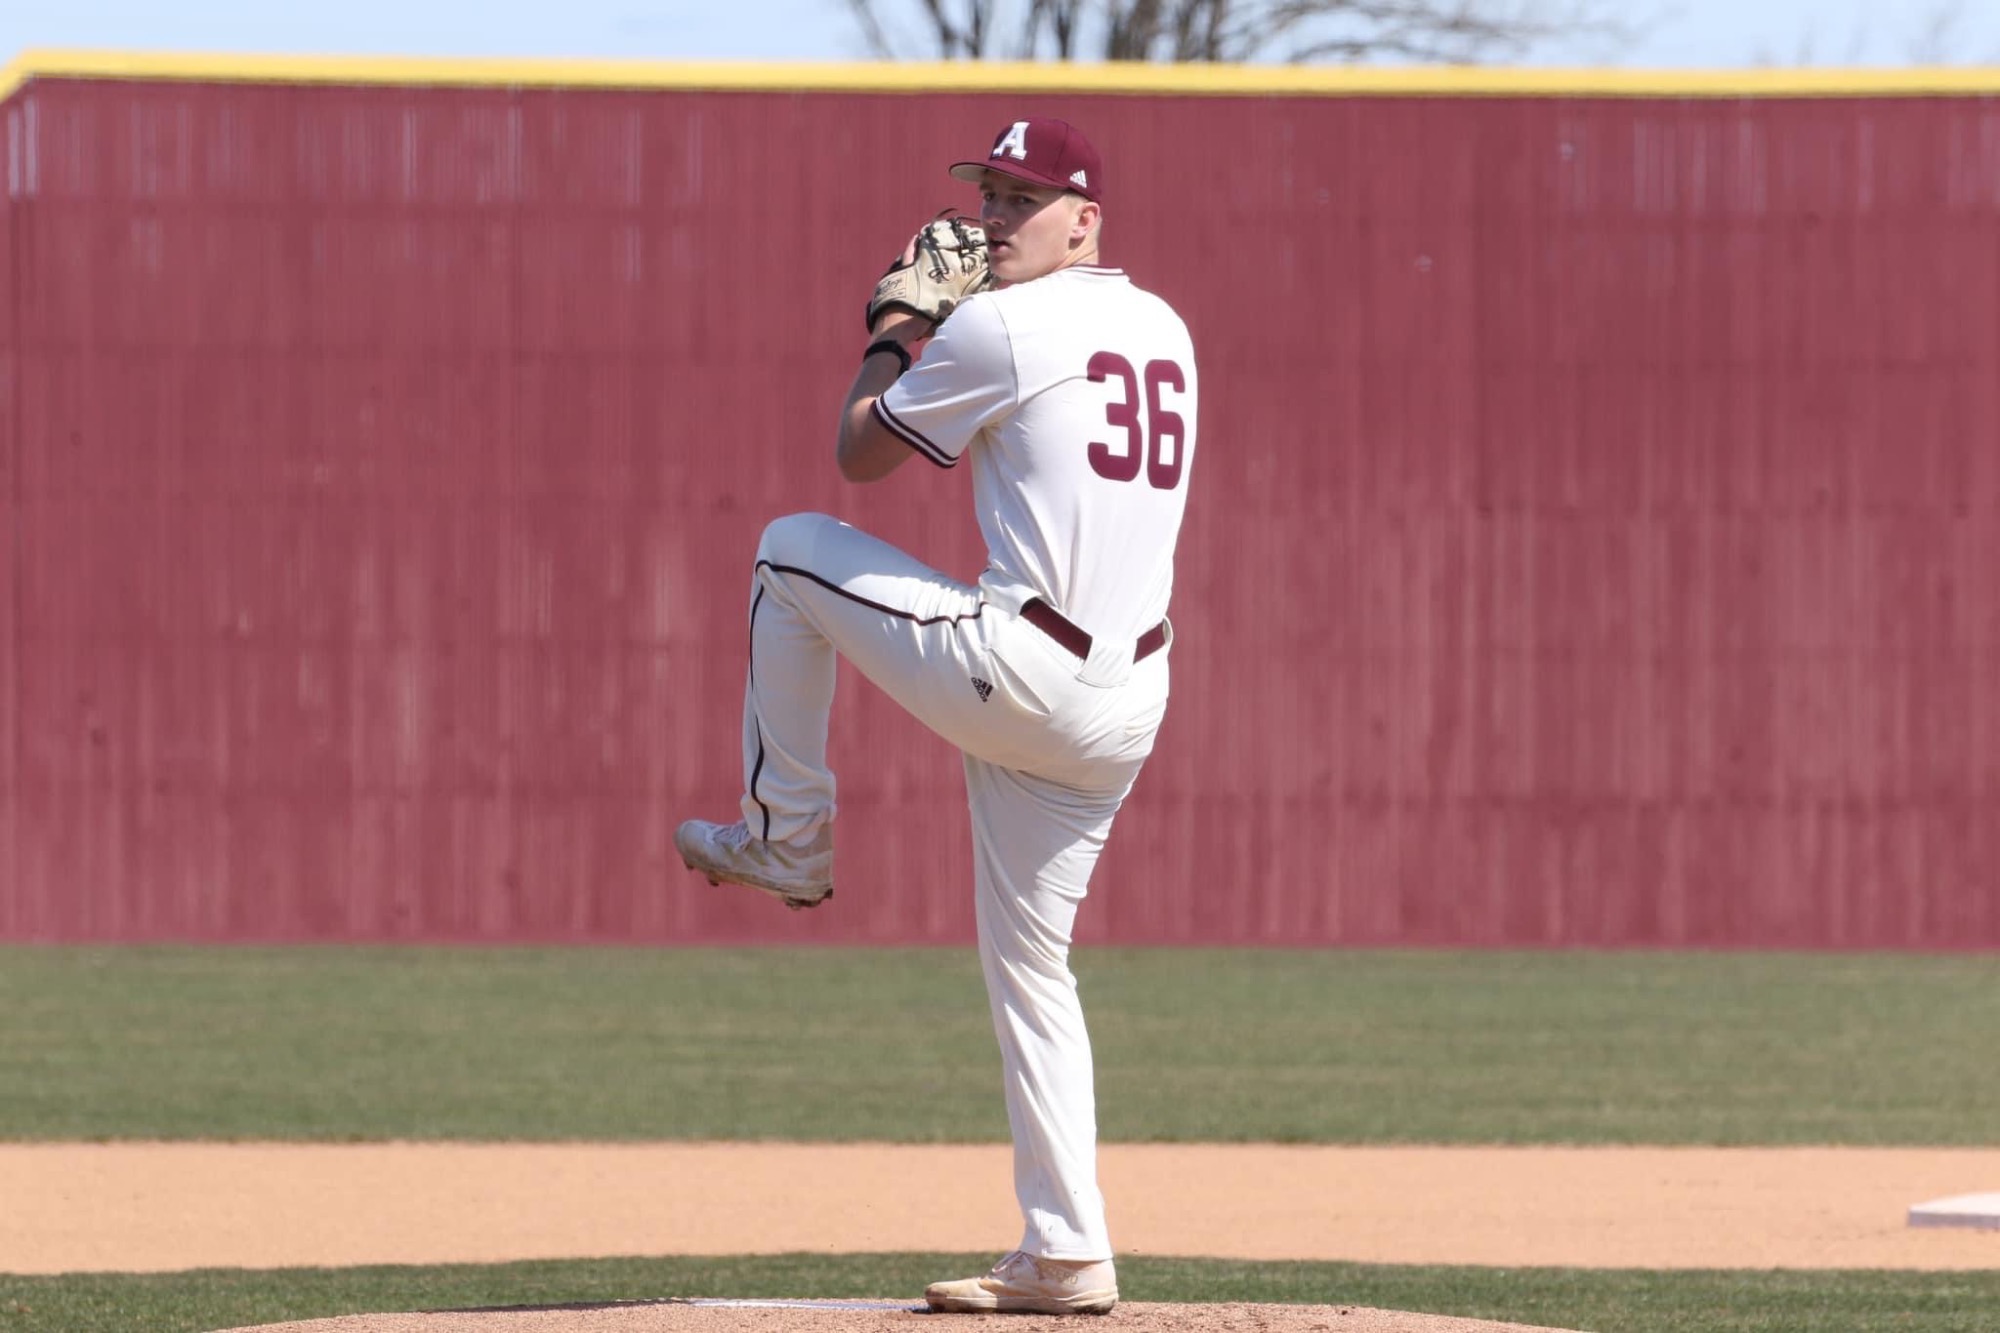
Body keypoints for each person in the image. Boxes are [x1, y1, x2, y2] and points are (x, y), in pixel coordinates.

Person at [674, 115, 1199, 1316]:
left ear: (1086, 219)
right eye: (990, 194)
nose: (998, 217)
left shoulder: (1000, 326)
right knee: (1031, 962)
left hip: (1024, 667)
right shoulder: (1164, 326)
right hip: (1127, 700)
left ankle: (787, 835)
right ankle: (1067, 1251)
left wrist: (896, 329)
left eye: (1026, 199)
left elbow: (858, 456)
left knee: (785, 553)